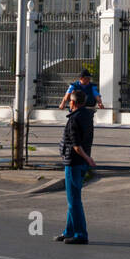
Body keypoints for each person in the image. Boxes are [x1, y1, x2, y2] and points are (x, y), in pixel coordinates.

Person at [56, 88, 95, 245]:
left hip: (73, 162)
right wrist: (88, 159)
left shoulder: (73, 119)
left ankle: (80, 234)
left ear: (72, 102)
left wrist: (88, 158)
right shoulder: (87, 116)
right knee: (73, 199)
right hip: (82, 163)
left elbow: (76, 146)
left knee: (74, 201)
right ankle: (69, 231)